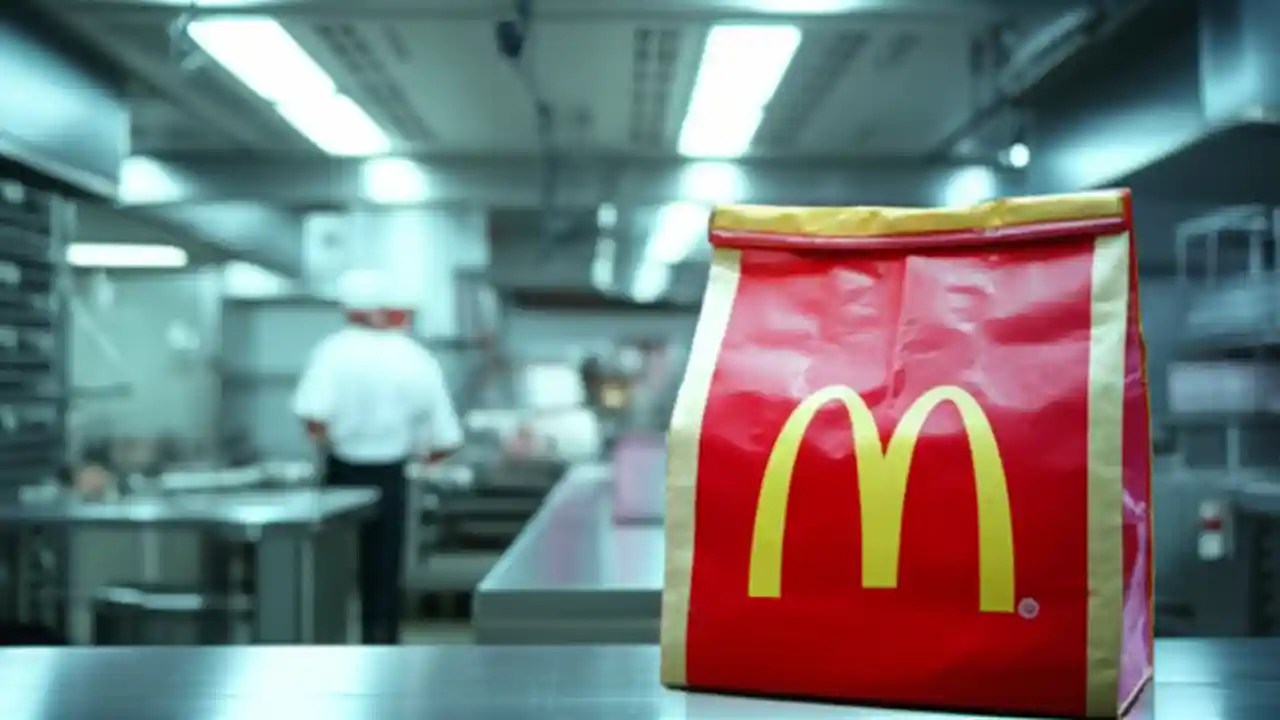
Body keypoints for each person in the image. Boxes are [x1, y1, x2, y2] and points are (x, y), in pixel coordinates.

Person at [293, 270, 462, 644]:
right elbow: (447, 439)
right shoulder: (414, 357)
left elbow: (313, 419)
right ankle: (381, 647)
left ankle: (327, 647)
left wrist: (335, 441)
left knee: (332, 571)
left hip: (340, 473)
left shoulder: (332, 351)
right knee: (383, 574)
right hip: (391, 477)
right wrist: (419, 457)